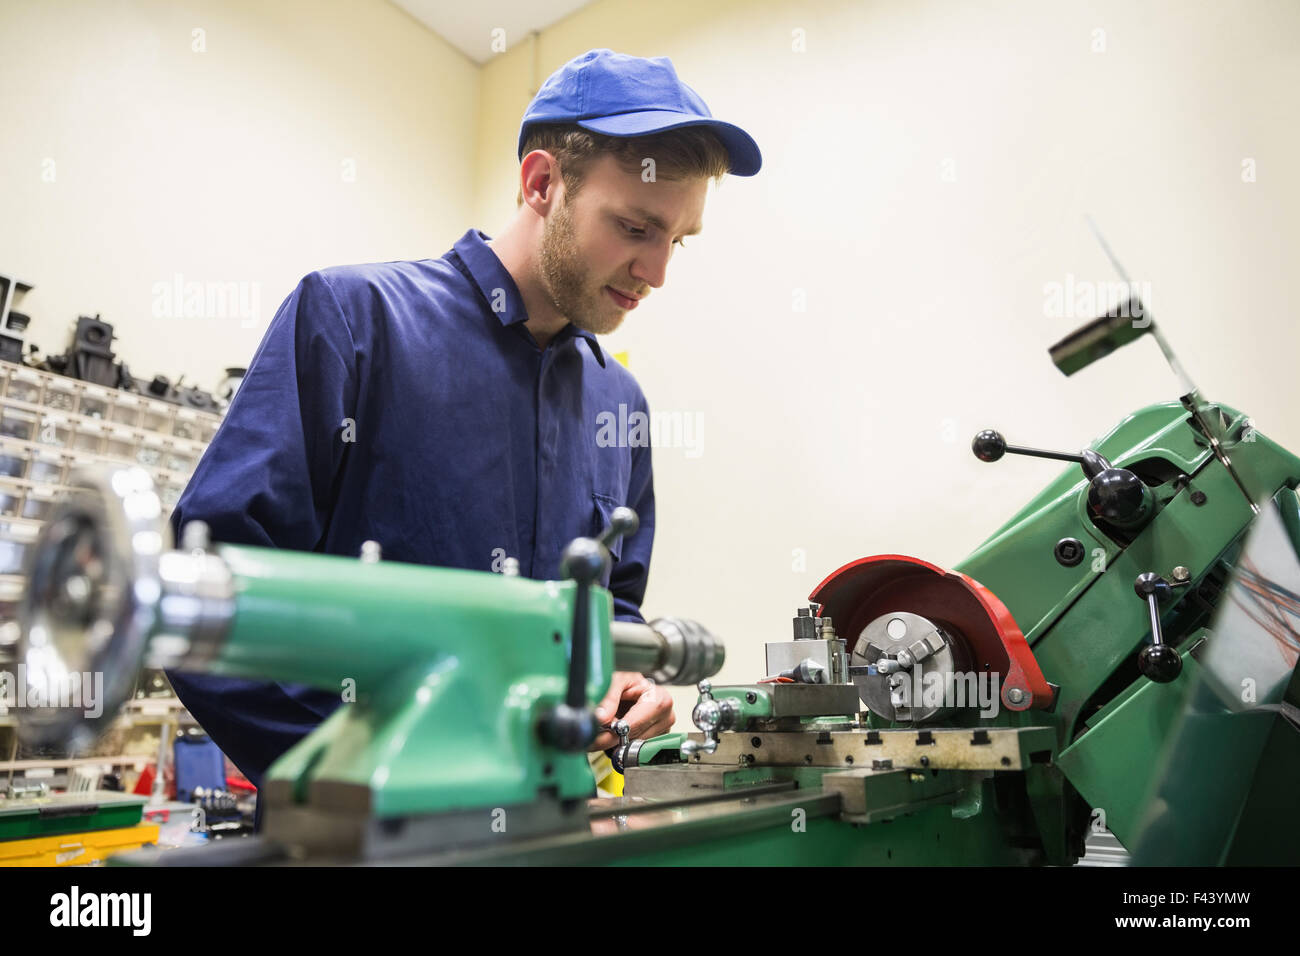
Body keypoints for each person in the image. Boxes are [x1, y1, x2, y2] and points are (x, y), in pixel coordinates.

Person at [164, 48, 762, 819]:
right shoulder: (353, 321)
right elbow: (201, 590)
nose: (656, 272)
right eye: (636, 227)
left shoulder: (621, 402)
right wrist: (355, 785)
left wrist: (625, 677)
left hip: (548, 824)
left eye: (677, 241)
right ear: (542, 183)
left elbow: (609, 608)